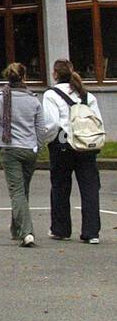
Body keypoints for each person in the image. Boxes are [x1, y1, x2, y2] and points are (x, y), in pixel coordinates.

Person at [0, 62, 52, 247]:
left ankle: (27, 233)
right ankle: (16, 229)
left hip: (9, 149)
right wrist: (38, 147)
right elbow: (40, 129)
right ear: (24, 77)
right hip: (29, 150)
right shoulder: (33, 100)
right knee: (22, 190)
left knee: (17, 191)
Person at [42, 59, 104, 244]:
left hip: (63, 145)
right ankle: (91, 232)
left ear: (55, 74)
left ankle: (61, 229)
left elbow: (52, 123)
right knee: (90, 188)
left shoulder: (51, 95)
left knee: (60, 186)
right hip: (87, 146)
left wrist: (48, 140)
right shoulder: (87, 96)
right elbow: (97, 121)